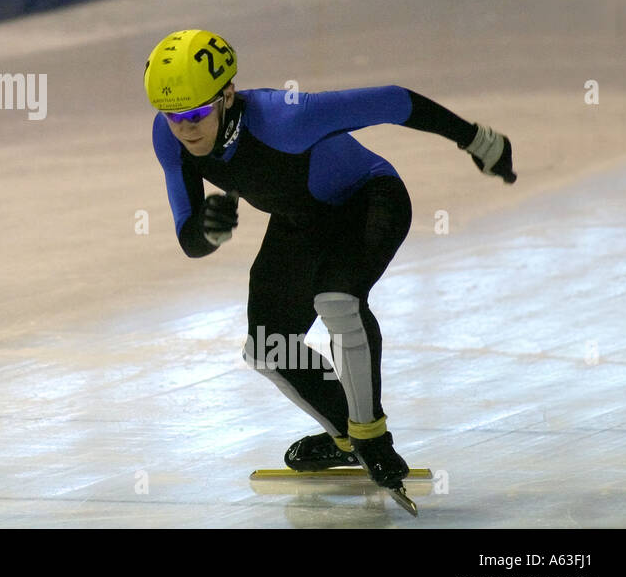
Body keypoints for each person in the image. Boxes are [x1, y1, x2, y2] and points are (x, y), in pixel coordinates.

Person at [144, 29, 515, 488]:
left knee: (337, 299)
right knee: (266, 346)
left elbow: (393, 101)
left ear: (227, 94)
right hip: (301, 221)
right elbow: (188, 238)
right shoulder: (169, 137)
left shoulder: (285, 117)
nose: (185, 128)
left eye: (197, 111)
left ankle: (371, 437)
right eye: (173, 115)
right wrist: (208, 231)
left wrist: (477, 140)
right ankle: (346, 436)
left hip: (371, 199)